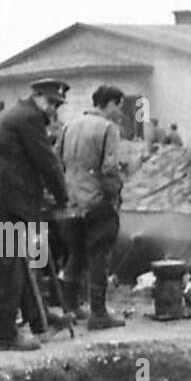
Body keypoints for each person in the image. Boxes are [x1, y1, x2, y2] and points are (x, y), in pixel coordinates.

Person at [0, 77, 71, 351]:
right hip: (6, 199)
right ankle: (5, 336)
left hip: (5, 196)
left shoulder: (17, 113)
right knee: (9, 266)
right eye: (52, 103)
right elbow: (46, 161)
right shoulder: (29, 118)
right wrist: (63, 197)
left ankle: (38, 319)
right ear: (39, 97)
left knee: (20, 262)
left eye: (57, 104)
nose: (54, 109)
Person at [56, 84, 127, 330]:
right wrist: (115, 195)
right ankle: (98, 313)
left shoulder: (69, 126)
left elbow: (57, 162)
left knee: (75, 255)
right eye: (119, 106)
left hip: (70, 201)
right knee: (99, 257)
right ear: (109, 103)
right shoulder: (108, 129)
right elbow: (109, 169)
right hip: (96, 202)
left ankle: (70, 308)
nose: (120, 112)